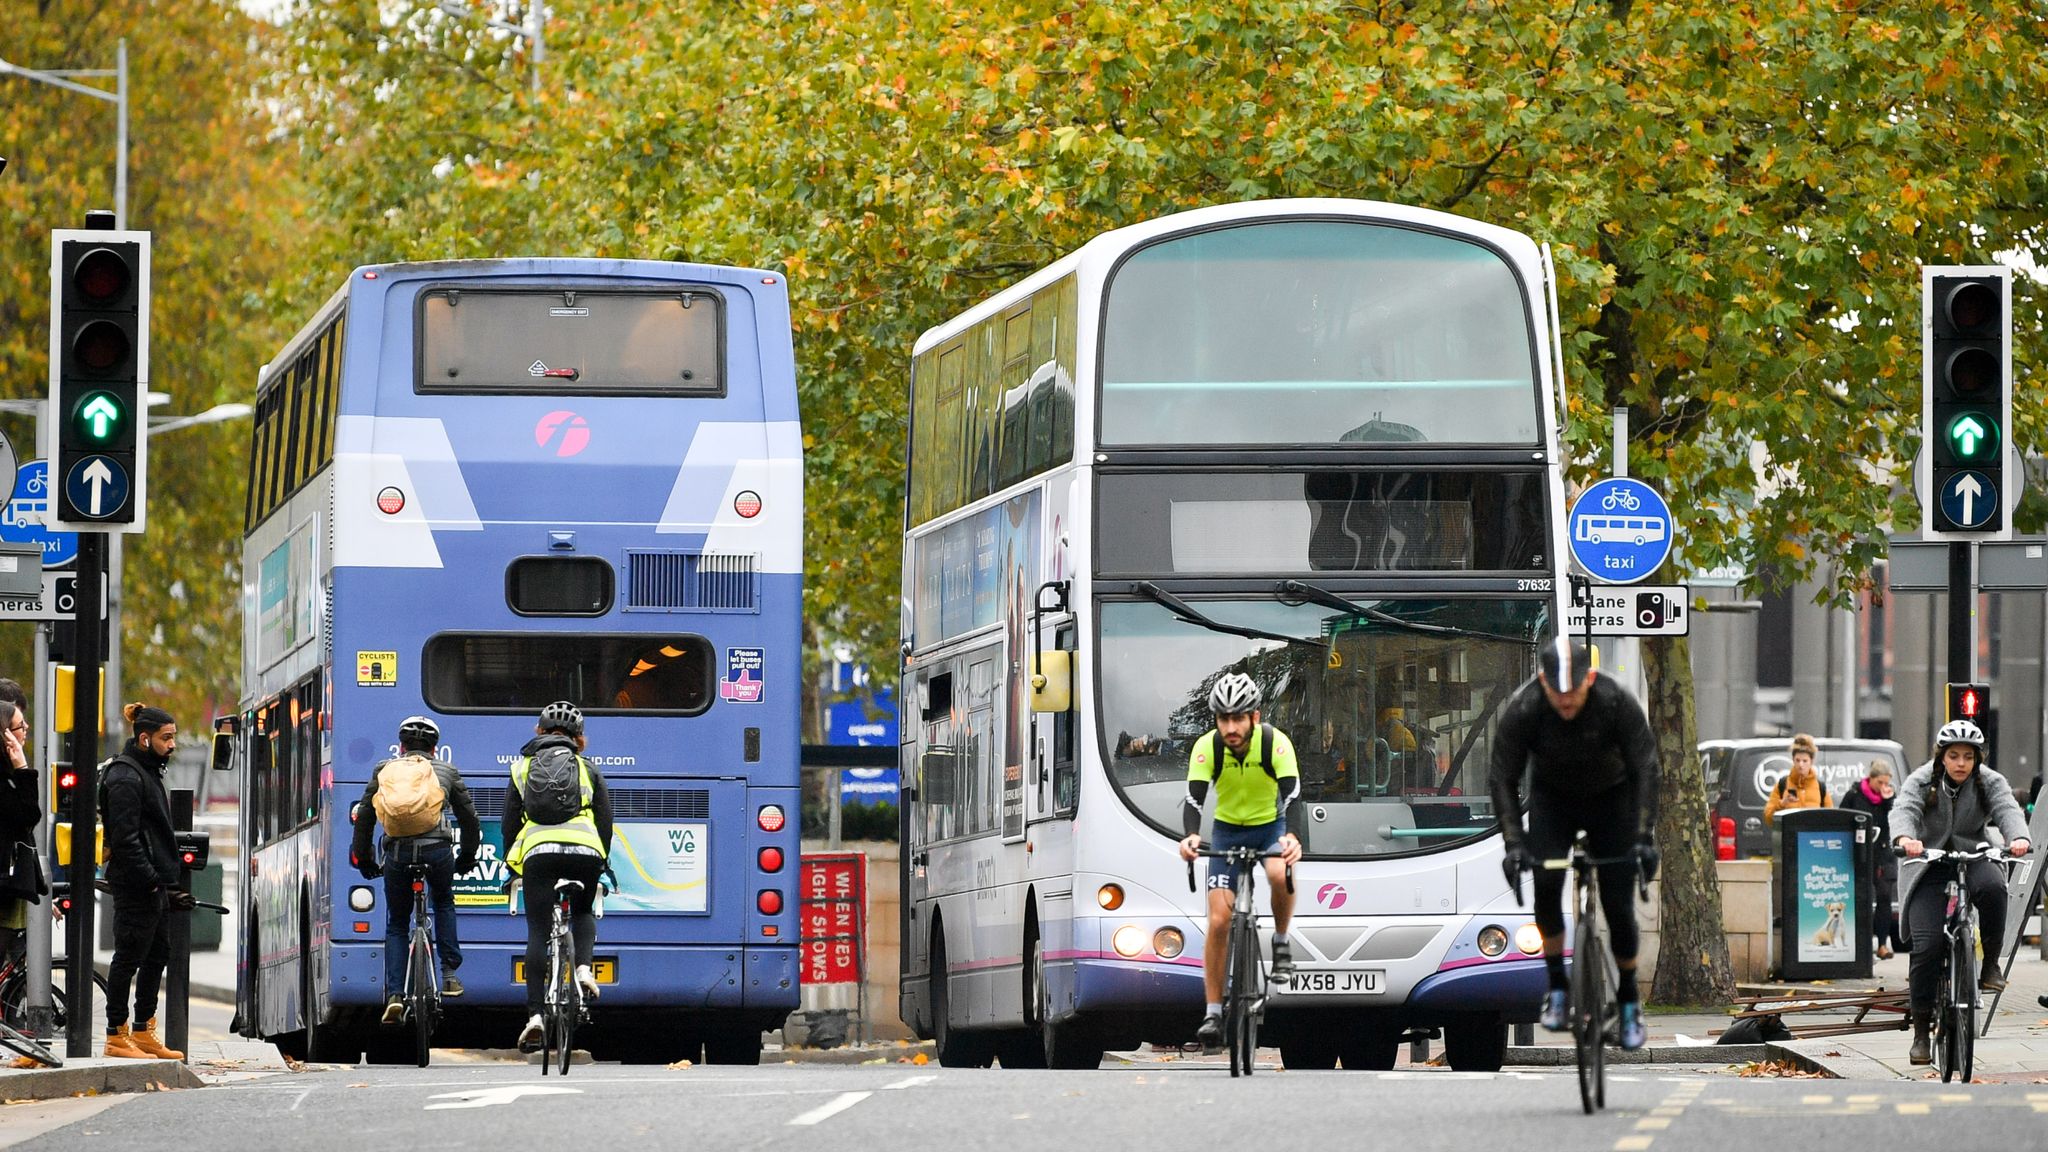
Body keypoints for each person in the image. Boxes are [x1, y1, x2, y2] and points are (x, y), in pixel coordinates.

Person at [1490, 635, 1660, 1051]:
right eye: (1557, 692)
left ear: (1590, 679)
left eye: (1574, 691)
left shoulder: (1615, 702)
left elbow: (1646, 769)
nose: (1565, 701)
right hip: (1555, 800)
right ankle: (1558, 987)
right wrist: (1514, 843)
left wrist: (1642, 837)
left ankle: (1628, 1000)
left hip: (1612, 798)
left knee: (1618, 905)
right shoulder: (1526, 707)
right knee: (1546, 886)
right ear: (1544, 684)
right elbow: (1502, 778)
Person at [1890, 719, 2030, 1065]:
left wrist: (2020, 838)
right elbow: (1903, 809)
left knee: (1996, 887)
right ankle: (1921, 1034)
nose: (1961, 763)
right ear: (1942, 757)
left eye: (1969, 756)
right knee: (1927, 946)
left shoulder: (1989, 781)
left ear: (1978, 758)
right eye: (1954, 756)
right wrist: (1905, 839)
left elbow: (2008, 810)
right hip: (1928, 864)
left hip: (1973, 856)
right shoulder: (1923, 780)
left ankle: (1991, 967)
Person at [1176, 673, 1303, 1050]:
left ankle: (1280, 941)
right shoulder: (1207, 748)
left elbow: (1293, 795)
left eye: (1238, 718)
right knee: (1218, 920)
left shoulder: (1275, 743)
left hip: (1269, 826)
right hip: (1228, 831)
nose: (1231, 727)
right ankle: (1213, 1011)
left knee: (1280, 872)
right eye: (1223, 719)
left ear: (1255, 716)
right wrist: (1191, 836)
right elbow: (1194, 801)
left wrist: (1292, 838)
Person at [350, 716, 480, 1025]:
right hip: (437, 853)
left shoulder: (384, 770)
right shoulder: (447, 771)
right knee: (444, 902)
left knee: (397, 922)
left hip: (398, 853)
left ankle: (395, 994)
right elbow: (470, 820)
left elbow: (365, 817)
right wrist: (466, 856)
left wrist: (365, 859)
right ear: (436, 748)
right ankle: (449, 975)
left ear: (401, 747)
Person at [504, 701, 614, 1051]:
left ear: (538, 732)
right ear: (579, 738)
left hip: (538, 853)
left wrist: (512, 864)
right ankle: (583, 967)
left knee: (538, 930)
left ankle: (535, 1015)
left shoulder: (521, 768)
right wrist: (602, 859)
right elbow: (605, 822)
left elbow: (509, 823)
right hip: (586, 851)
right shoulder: (588, 769)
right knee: (581, 911)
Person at [100, 704, 190, 1061]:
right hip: (136, 885)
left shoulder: (147, 771)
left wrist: (164, 885)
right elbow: (126, 838)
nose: (172, 745)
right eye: (166, 738)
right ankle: (116, 1034)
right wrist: (153, 882)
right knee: (129, 958)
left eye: (173, 737)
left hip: (154, 884)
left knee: (156, 957)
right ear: (144, 738)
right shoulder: (125, 776)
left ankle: (143, 1030)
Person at [1837, 759, 1898, 959]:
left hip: (1884, 855)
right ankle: (1861, 944)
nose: (1883, 787)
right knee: (1862, 898)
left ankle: (1882, 943)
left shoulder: (1890, 798)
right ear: (1870, 779)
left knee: (1884, 898)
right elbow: (1842, 819)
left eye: (1886, 783)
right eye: (1879, 783)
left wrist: (1889, 801)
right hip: (1861, 854)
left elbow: (1896, 821)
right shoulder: (1855, 795)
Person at [1763, 733, 1833, 827]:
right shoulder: (1782, 784)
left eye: (1805, 761)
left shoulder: (1820, 787)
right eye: (1797, 760)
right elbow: (1768, 818)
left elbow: (1830, 818)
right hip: (1789, 837)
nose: (1801, 765)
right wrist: (1782, 804)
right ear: (1793, 760)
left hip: (1811, 837)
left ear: (1811, 762)